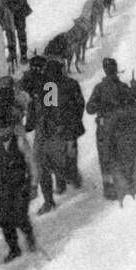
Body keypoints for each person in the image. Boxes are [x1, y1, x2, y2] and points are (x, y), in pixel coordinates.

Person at [0, 77, 38, 263]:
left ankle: (29, 236)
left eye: (4, 129)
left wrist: (34, 183)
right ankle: (14, 248)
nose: (1, 132)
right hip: (3, 183)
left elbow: (31, 161)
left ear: (10, 127)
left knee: (20, 216)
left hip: (21, 182)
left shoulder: (19, 139)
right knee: (5, 219)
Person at [86, 58, 136, 201]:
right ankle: (128, 186)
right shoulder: (123, 87)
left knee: (105, 158)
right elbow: (133, 102)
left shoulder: (99, 88)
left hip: (104, 129)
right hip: (122, 129)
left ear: (105, 70)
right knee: (122, 156)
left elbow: (90, 109)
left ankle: (110, 189)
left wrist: (102, 106)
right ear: (116, 69)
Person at [31, 53, 85, 214]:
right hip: (63, 130)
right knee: (62, 158)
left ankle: (51, 198)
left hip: (52, 131)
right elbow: (79, 106)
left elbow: (46, 110)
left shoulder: (49, 86)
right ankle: (67, 181)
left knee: (45, 163)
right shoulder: (70, 83)